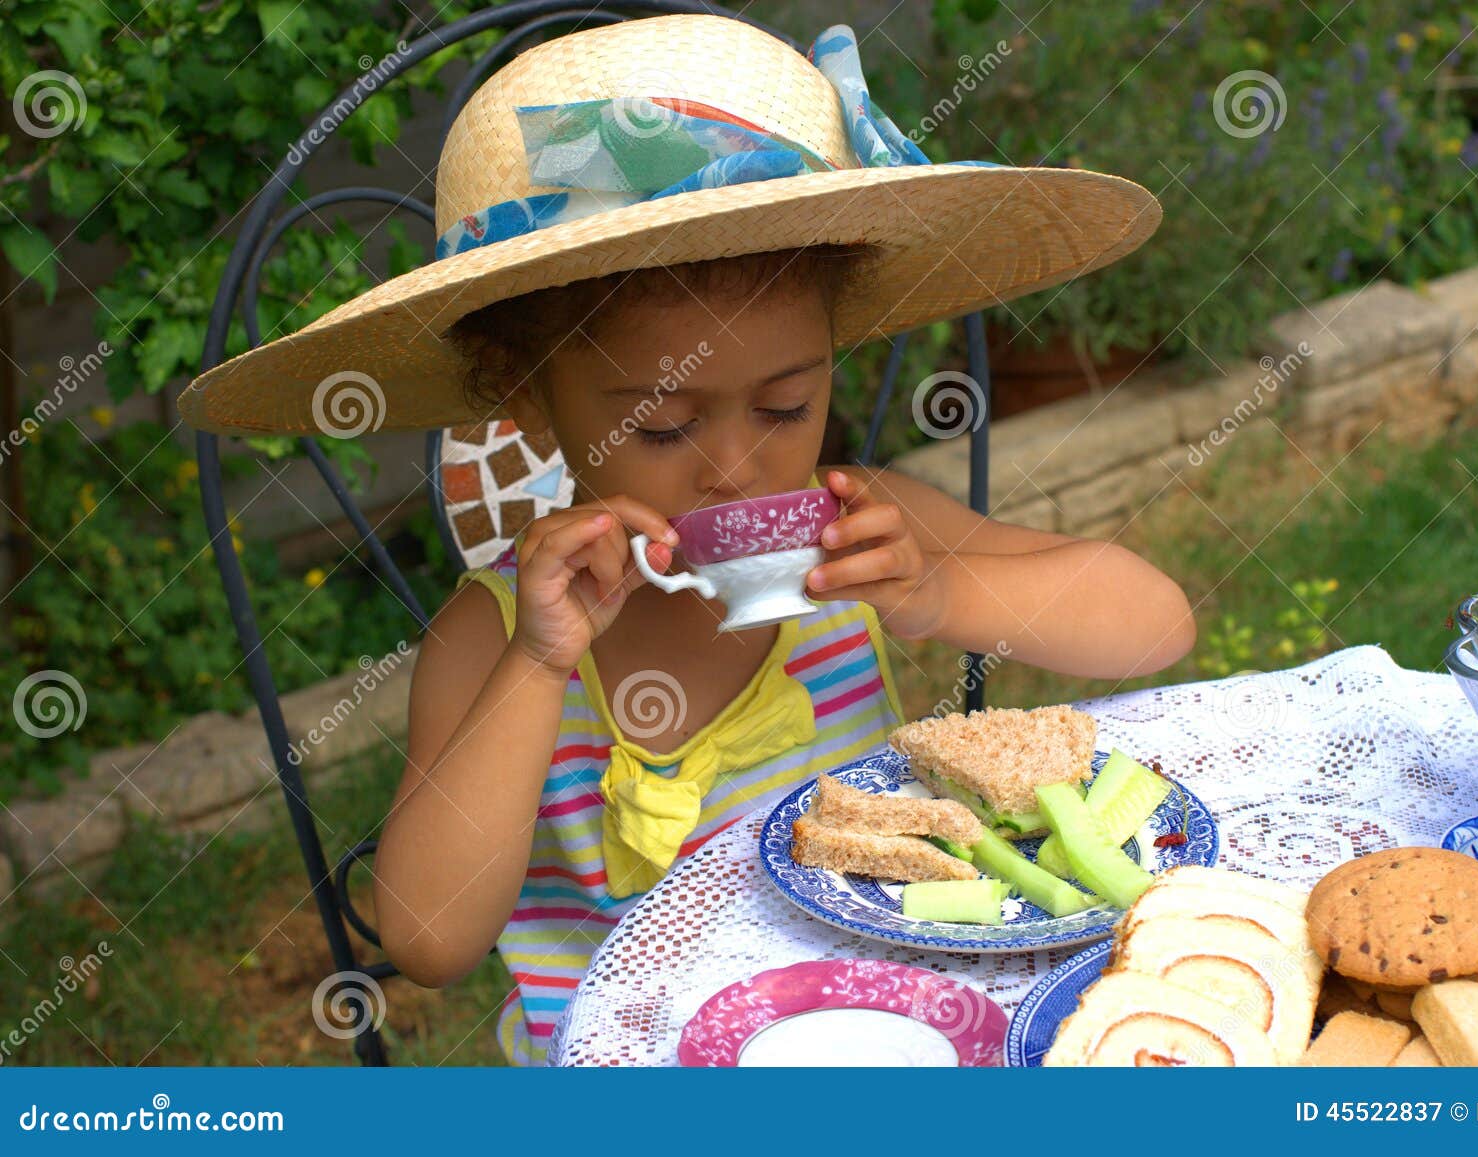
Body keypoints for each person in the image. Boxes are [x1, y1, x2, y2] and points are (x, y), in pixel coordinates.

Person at [179, 15, 1192, 1066]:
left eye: (785, 405)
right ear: (530, 405)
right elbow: (429, 939)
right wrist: (540, 660)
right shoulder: (500, 636)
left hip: (879, 1037)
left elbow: (1154, 623)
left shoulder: (861, 530)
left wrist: (937, 590)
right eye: (661, 426)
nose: (731, 467)